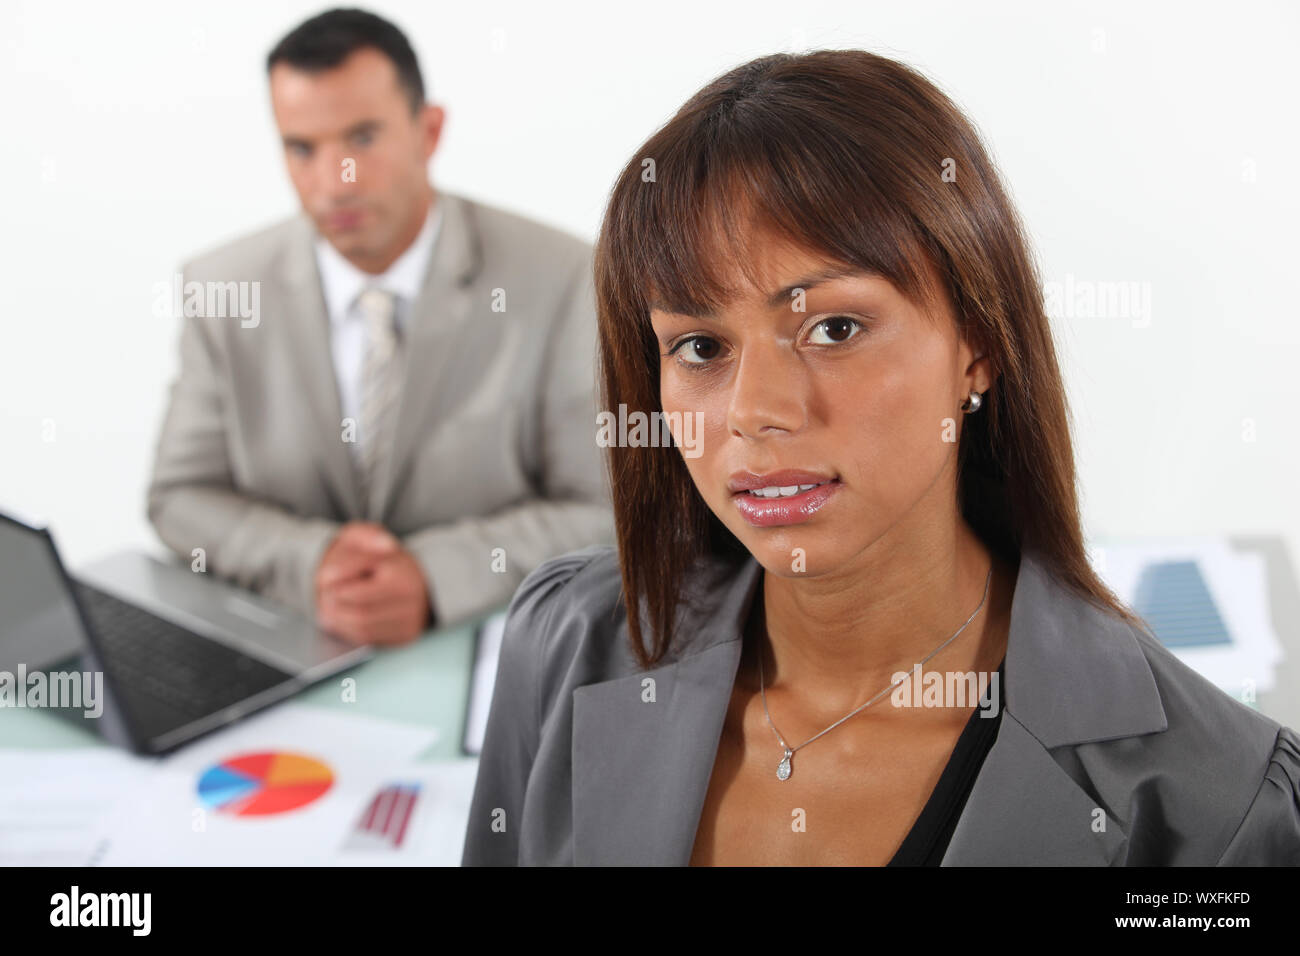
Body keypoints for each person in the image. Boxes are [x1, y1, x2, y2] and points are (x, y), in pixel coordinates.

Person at [461, 49, 1300, 865]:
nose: (756, 413)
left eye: (834, 329)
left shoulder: (1216, 810)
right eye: (700, 346)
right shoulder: (567, 644)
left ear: (977, 344)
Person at [147, 8, 613, 644]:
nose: (334, 183)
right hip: (284, 649)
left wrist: (433, 575)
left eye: (362, 138)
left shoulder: (560, 277)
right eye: (302, 148)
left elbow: (607, 509)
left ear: (429, 130)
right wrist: (311, 561)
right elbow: (179, 496)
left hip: (484, 654)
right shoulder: (222, 287)